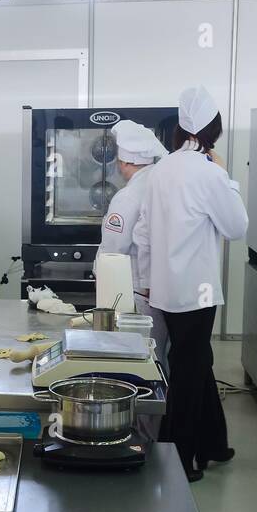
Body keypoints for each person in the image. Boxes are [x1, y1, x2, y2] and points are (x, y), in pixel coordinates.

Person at [134, 86, 248, 482]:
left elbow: (143, 232)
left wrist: (146, 281)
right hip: (197, 293)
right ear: (214, 129)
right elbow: (237, 227)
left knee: (196, 363)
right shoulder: (209, 172)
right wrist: (227, 176)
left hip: (165, 289)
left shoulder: (162, 169)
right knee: (188, 370)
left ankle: (215, 443)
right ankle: (181, 460)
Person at [97, 119, 169, 371]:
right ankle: (162, 407)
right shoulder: (162, 183)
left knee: (139, 360)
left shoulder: (127, 196)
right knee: (159, 355)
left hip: (136, 291)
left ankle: (146, 410)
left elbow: (113, 252)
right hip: (162, 289)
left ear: (124, 161)